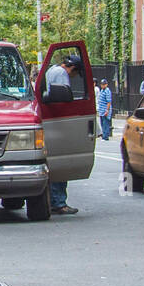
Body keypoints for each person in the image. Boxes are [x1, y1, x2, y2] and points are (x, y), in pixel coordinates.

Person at [44, 53, 82, 215]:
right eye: (75, 73)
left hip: (50, 121)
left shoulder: (52, 70)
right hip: (58, 122)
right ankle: (59, 202)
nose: (73, 77)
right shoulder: (61, 74)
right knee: (61, 162)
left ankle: (55, 199)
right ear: (72, 68)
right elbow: (63, 98)